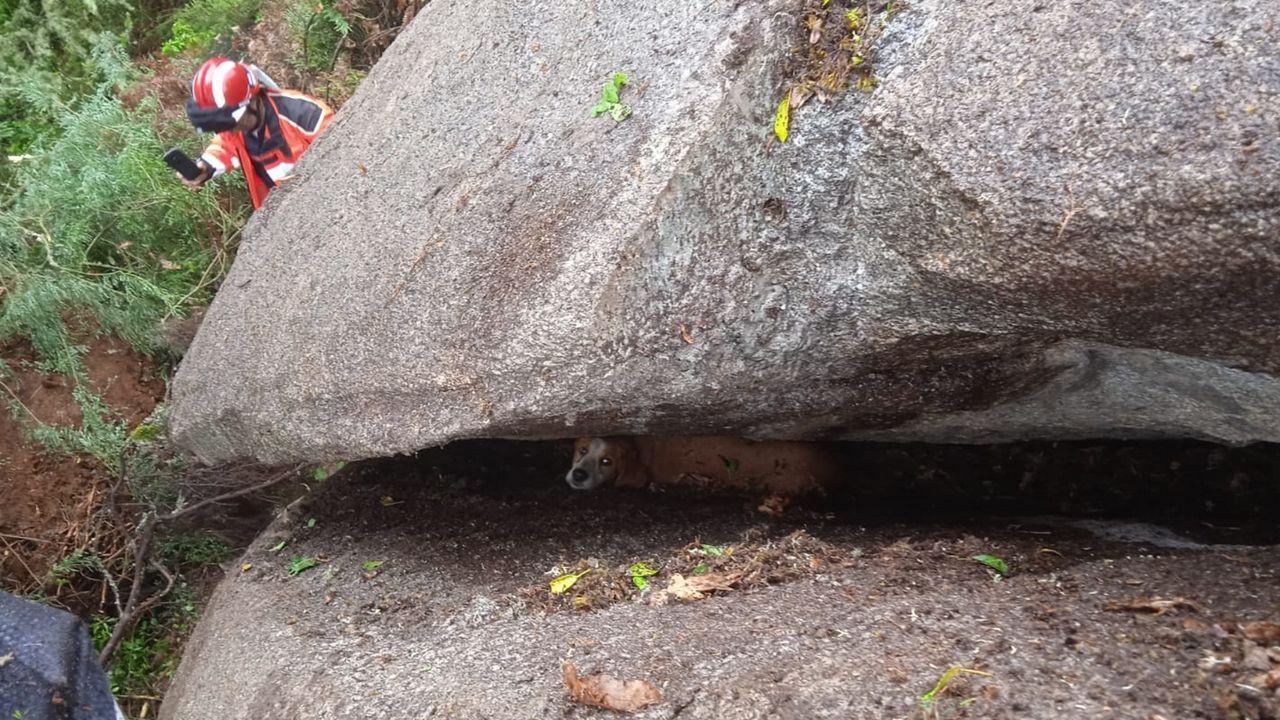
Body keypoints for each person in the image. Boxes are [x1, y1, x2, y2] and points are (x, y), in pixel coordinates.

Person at [180, 57, 333, 209]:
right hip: (283, 212)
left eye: (232, 124)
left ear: (252, 101)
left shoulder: (304, 114)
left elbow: (338, 150)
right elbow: (224, 146)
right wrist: (205, 167)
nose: (232, 130)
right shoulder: (236, 129)